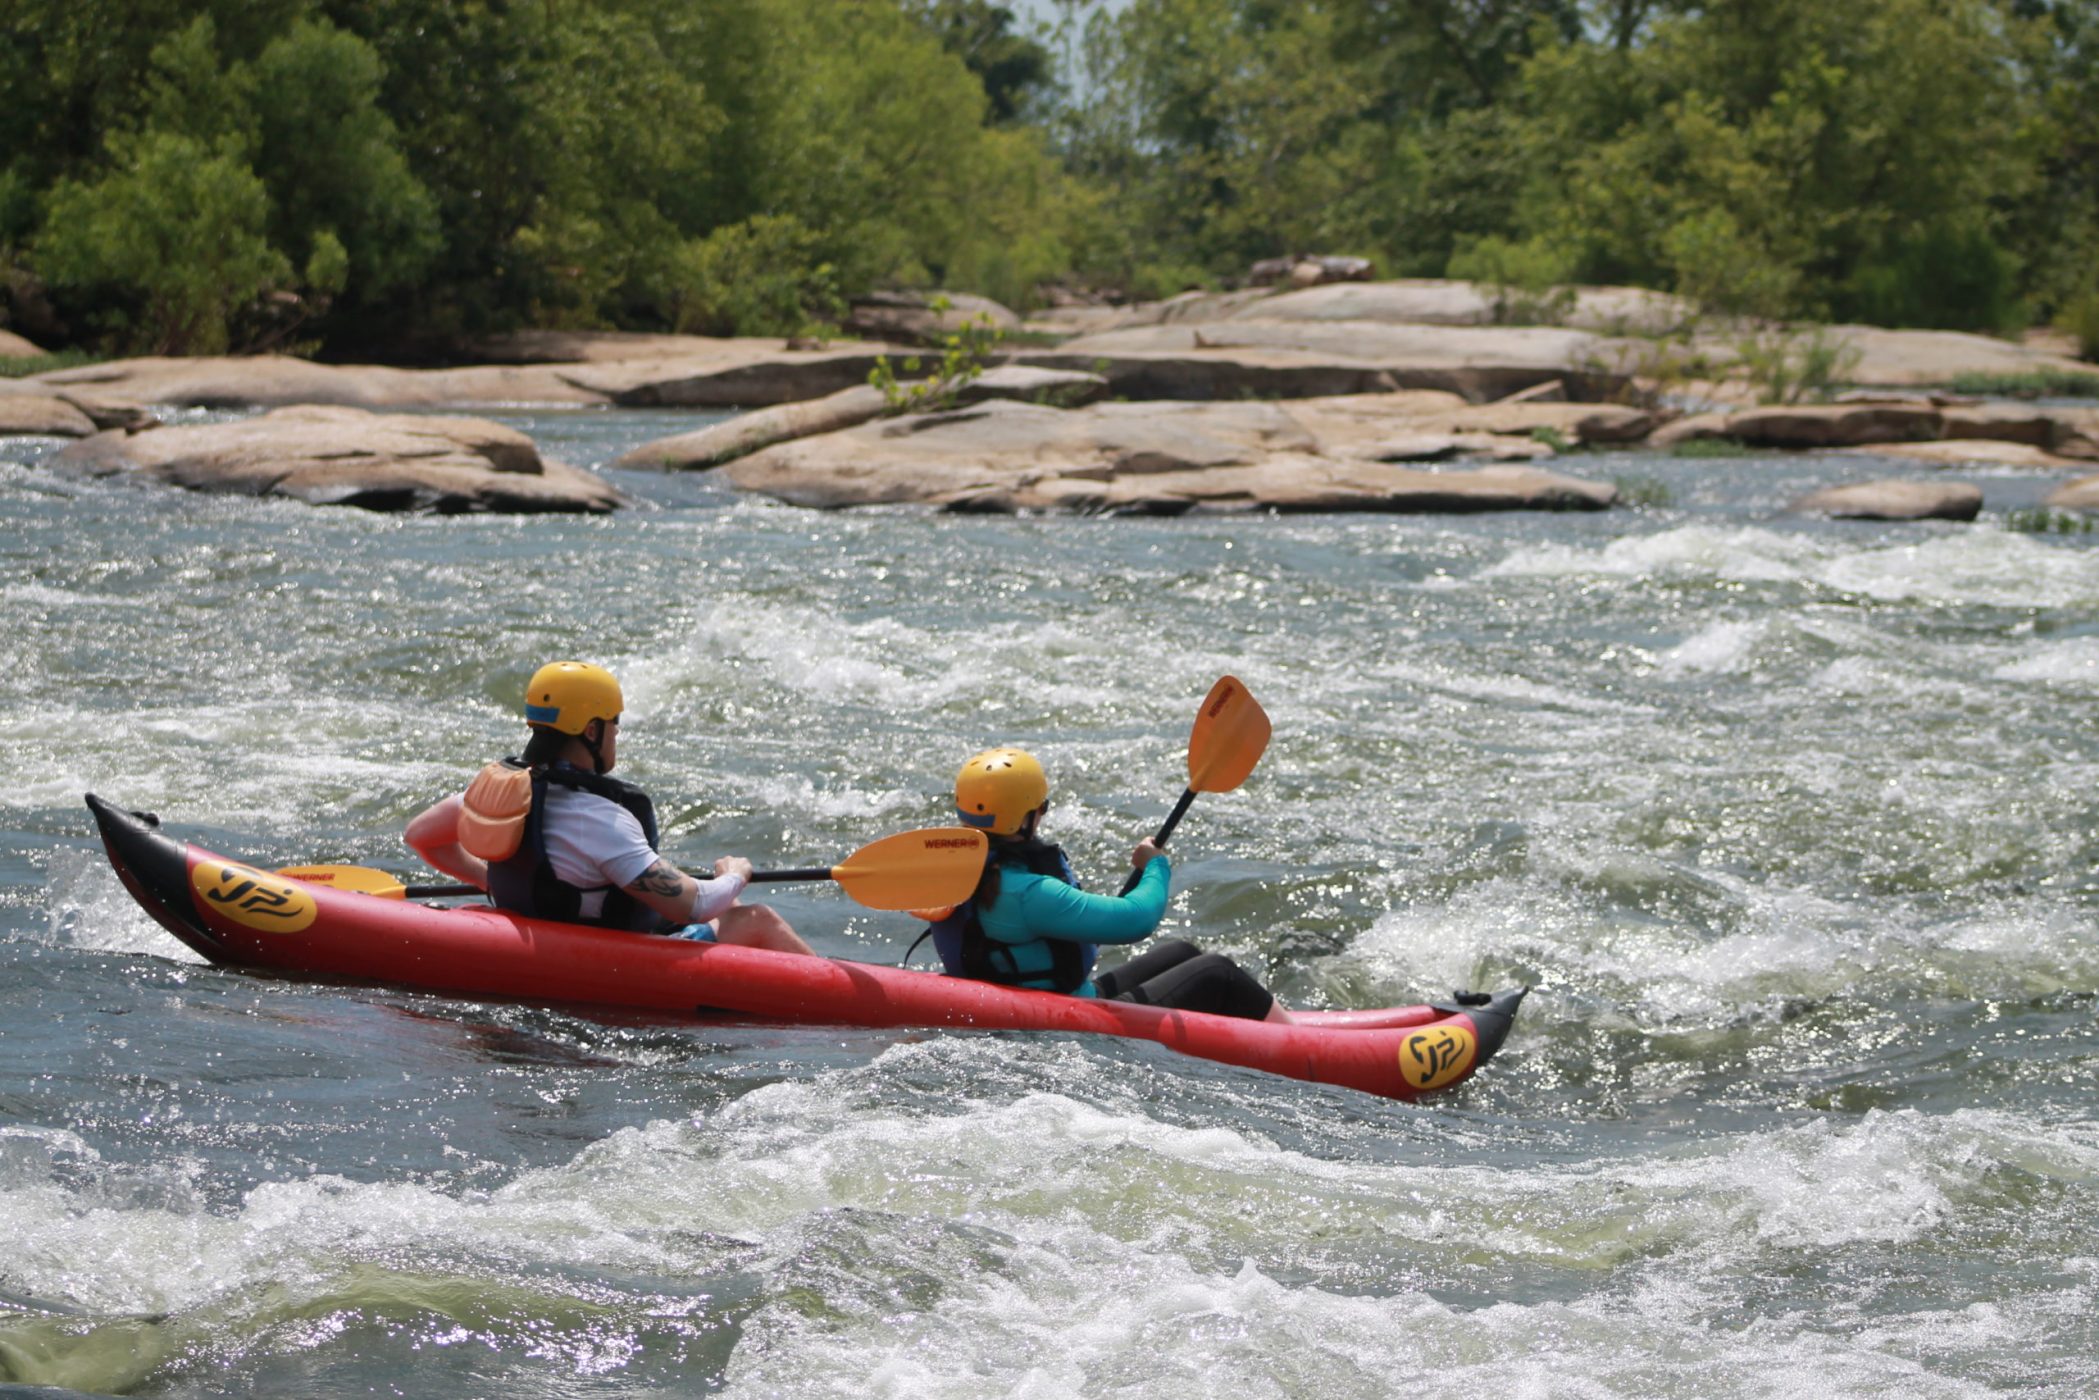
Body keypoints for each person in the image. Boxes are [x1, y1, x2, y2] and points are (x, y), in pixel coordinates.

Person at [405, 661, 811, 953]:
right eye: (614, 723)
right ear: (592, 730)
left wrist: (491, 881)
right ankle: (851, 1004)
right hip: (610, 950)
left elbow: (422, 837)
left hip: (543, 926)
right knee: (756, 918)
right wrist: (734, 875)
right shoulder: (599, 819)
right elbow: (696, 903)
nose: (616, 733)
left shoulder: (497, 792)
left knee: (728, 907)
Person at [922, 747, 1293, 1022]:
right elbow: (1135, 919)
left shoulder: (954, 870)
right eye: (1042, 807)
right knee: (1219, 973)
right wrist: (1156, 866)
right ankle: (1300, 1042)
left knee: (1182, 952)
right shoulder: (1024, 892)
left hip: (1043, 997)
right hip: (1065, 1014)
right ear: (1025, 818)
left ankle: (1271, 1021)